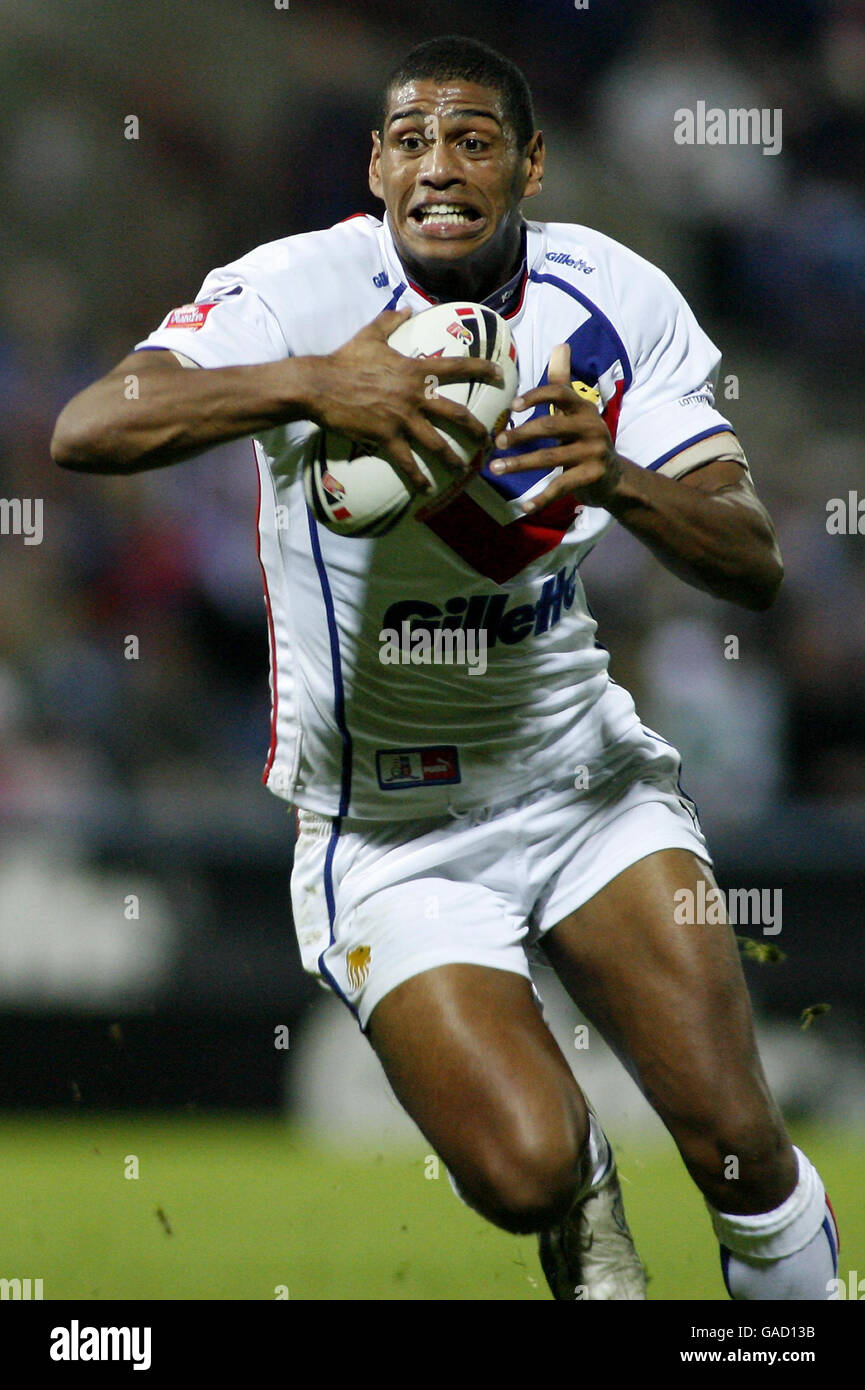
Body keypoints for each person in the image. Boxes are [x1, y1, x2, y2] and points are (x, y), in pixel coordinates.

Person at [51, 35, 839, 1301]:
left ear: (529, 164)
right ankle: (582, 1207)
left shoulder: (616, 297)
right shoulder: (302, 289)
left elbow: (751, 560)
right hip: (390, 826)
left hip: (582, 780)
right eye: (411, 139)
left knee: (739, 1147)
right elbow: (89, 426)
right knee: (527, 1170)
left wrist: (621, 479)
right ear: (374, 165)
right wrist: (315, 385)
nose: (440, 166)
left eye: (474, 139)